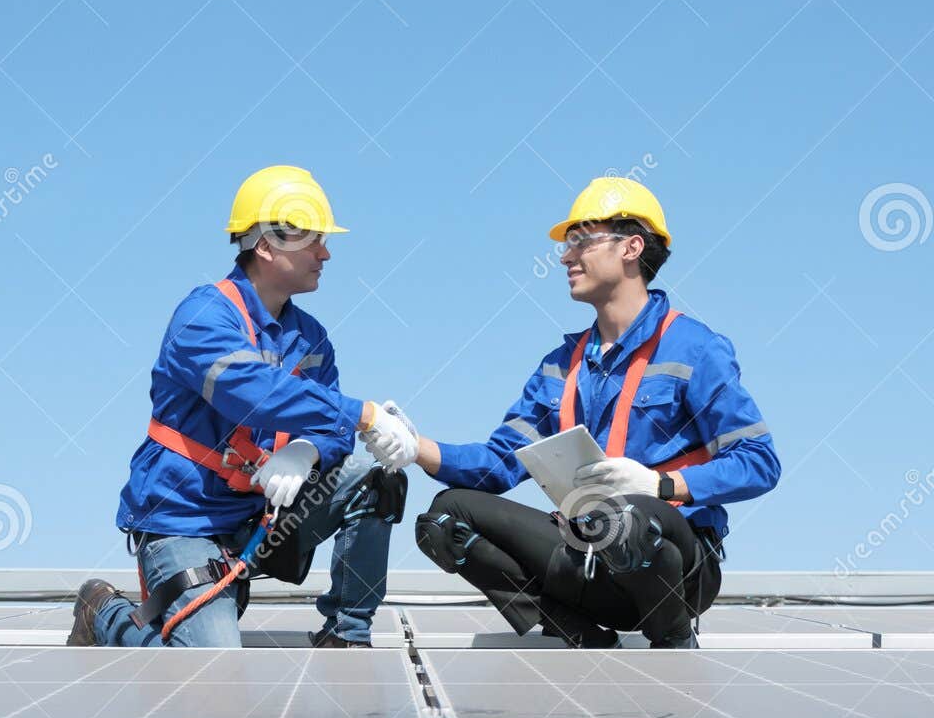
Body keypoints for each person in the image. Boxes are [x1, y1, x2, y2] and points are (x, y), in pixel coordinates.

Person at [367, 178, 779, 648]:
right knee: (445, 519)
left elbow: (760, 462)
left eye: (581, 240)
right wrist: (414, 447)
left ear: (632, 246)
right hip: (589, 552)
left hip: (672, 565)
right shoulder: (560, 367)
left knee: (634, 515)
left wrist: (659, 486)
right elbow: (500, 464)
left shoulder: (696, 348)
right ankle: (579, 633)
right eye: (568, 244)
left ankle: (673, 642)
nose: (566, 257)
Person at [67, 165, 417, 649]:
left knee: (375, 481)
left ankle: (346, 635)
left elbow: (331, 431)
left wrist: (308, 451)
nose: (326, 252)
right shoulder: (203, 317)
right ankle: (105, 614)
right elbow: (253, 392)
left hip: (261, 519)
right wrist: (365, 415)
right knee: (214, 668)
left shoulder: (311, 338)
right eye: (312, 239)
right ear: (267, 245)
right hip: (185, 522)